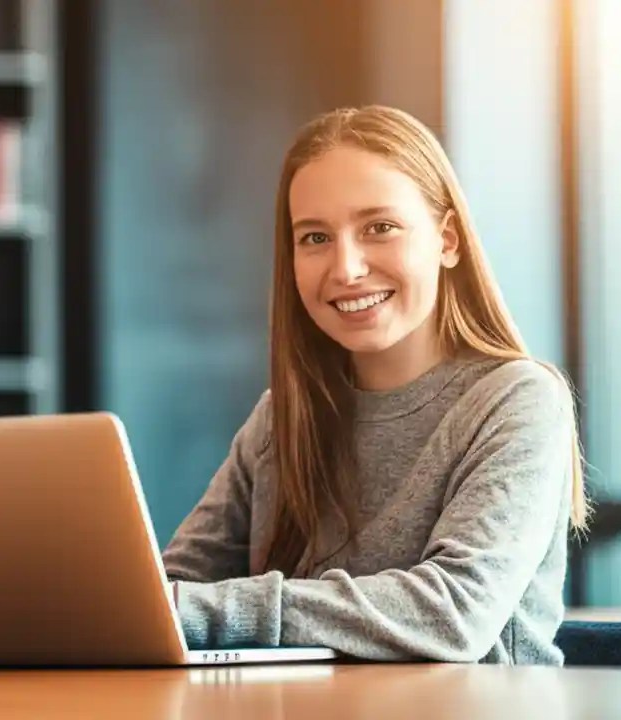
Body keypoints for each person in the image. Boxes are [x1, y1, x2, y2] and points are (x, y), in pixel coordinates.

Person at [161, 105, 588, 665]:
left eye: (379, 228)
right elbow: (162, 596)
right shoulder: (282, 417)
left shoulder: (516, 401)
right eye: (314, 238)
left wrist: (223, 610)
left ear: (448, 240)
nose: (345, 268)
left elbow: (452, 614)